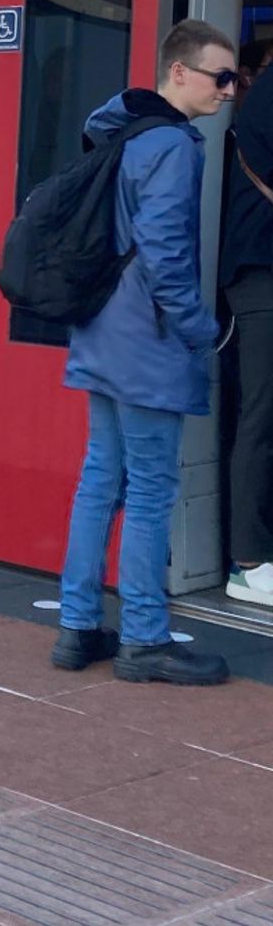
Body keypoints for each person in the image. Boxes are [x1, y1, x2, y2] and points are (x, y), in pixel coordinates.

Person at [53, 18, 236, 686]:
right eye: (220, 76)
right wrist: (200, 329)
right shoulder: (173, 146)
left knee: (101, 477)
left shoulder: (119, 131)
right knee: (153, 488)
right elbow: (165, 252)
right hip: (147, 341)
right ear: (179, 72)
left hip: (102, 328)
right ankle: (144, 639)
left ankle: (77, 627)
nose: (229, 90)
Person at [220, 40, 273, 607]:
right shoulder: (269, 96)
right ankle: (249, 561)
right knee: (262, 415)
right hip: (261, 274)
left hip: (258, 273)